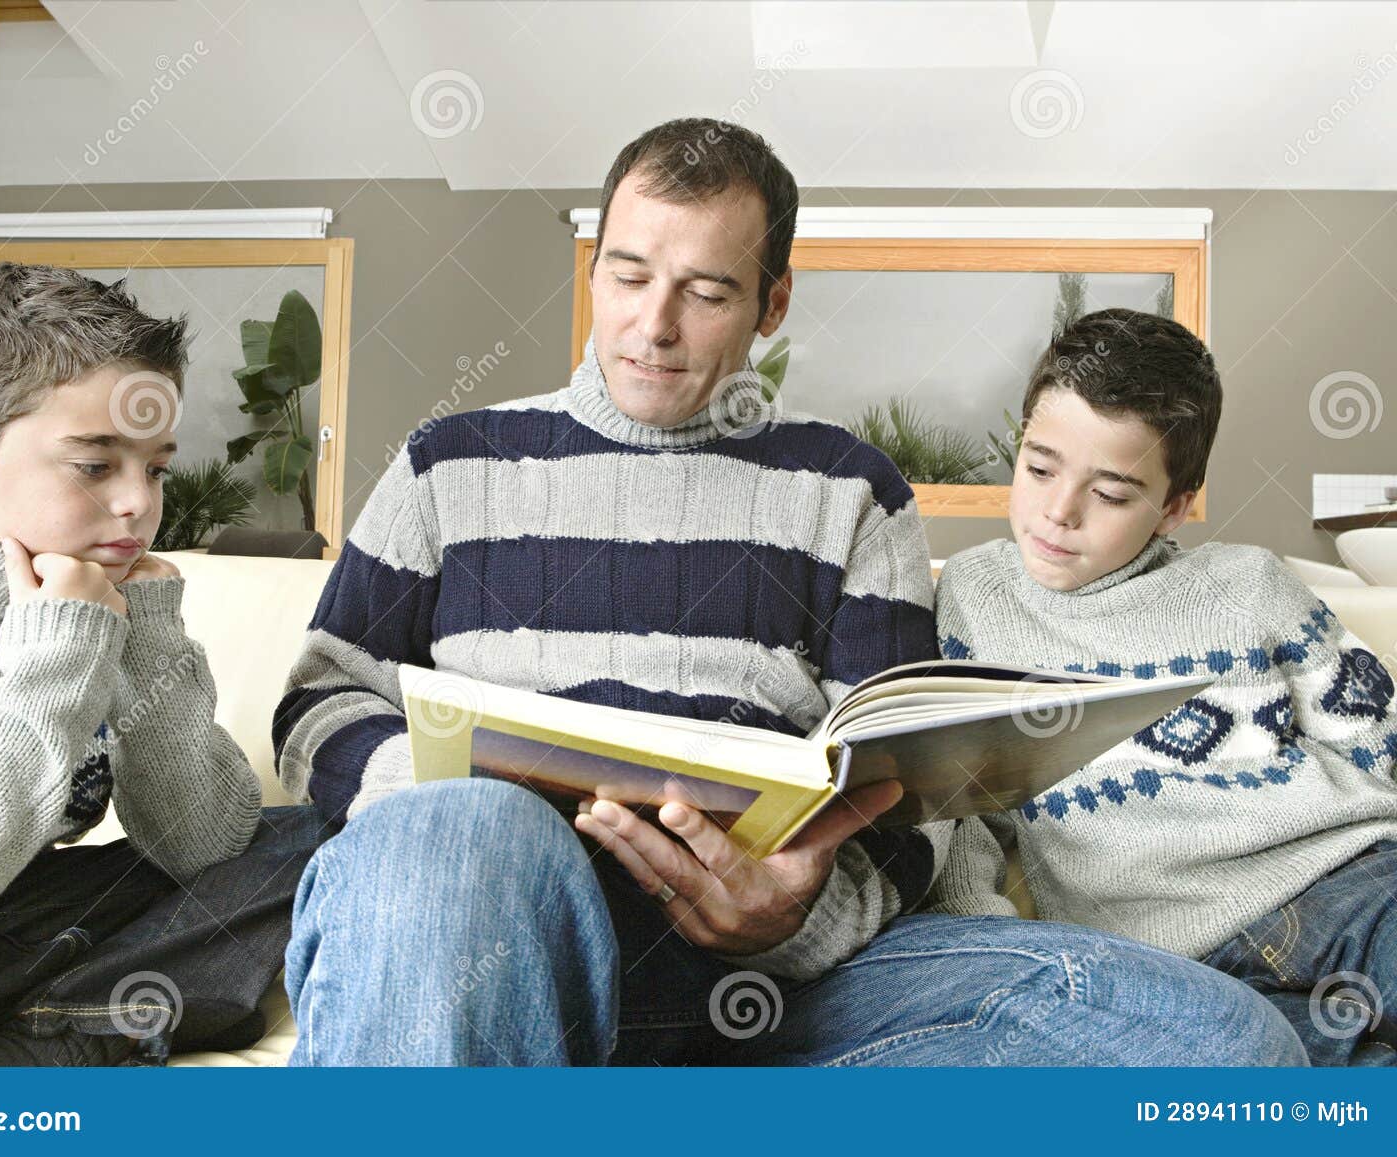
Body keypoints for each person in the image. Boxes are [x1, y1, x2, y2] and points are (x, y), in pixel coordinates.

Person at [273, 121, 1305, 1066]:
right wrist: (454, 798)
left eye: (707, 292)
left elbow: (913, 787)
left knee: (1221, 1041)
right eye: (627, 274)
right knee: (463, 838)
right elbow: (319, 702)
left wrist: (793, 913)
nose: (654, 325)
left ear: (772, 304)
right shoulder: (448, 463)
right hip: (491, 926)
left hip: (778, 984)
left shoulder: (852, 490)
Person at [0, 263, 324, 1066]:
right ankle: (68, 1026)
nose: (139, 503)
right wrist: (56, 654)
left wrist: (145, 637)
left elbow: (205, 849)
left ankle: (48, 1031)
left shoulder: (102, 584)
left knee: (312, 842)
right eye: (95, 465)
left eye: (155, 467)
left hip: (3, 922)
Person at [928, 307, 1397, 1065]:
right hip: (1172, 962)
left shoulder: (1249, 584)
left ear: (1173, 507)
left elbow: (1378, 735)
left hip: (1346, 882)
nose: (1058, 512)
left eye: (1112, 494)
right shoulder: (972, 599)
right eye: (1039, 469)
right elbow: (960, 810)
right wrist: (1000, 955)